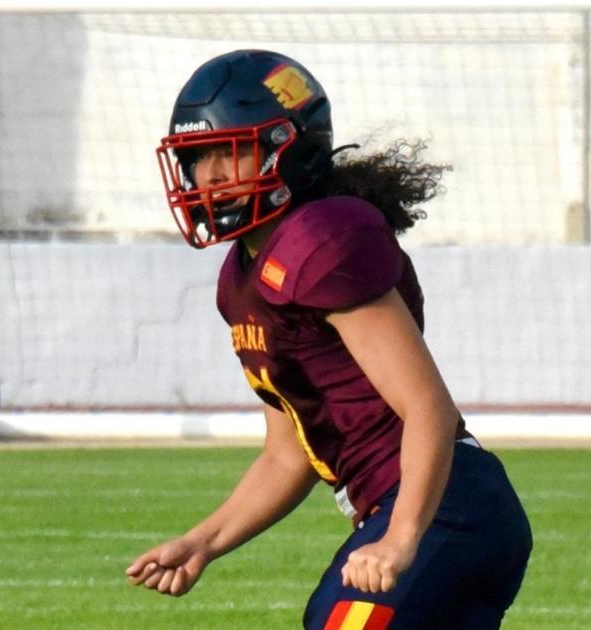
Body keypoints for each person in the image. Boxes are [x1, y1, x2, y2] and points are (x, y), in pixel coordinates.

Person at [127, 49, 532, 629]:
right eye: (199, 157)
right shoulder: (239, 278)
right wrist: (204, 542)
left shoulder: (319, 239)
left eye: (229, 153)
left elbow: (428, 410)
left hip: (449, 509)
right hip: (423, 511)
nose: (210, 176)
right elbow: (287, 451)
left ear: (288, 152)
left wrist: (400, 538)